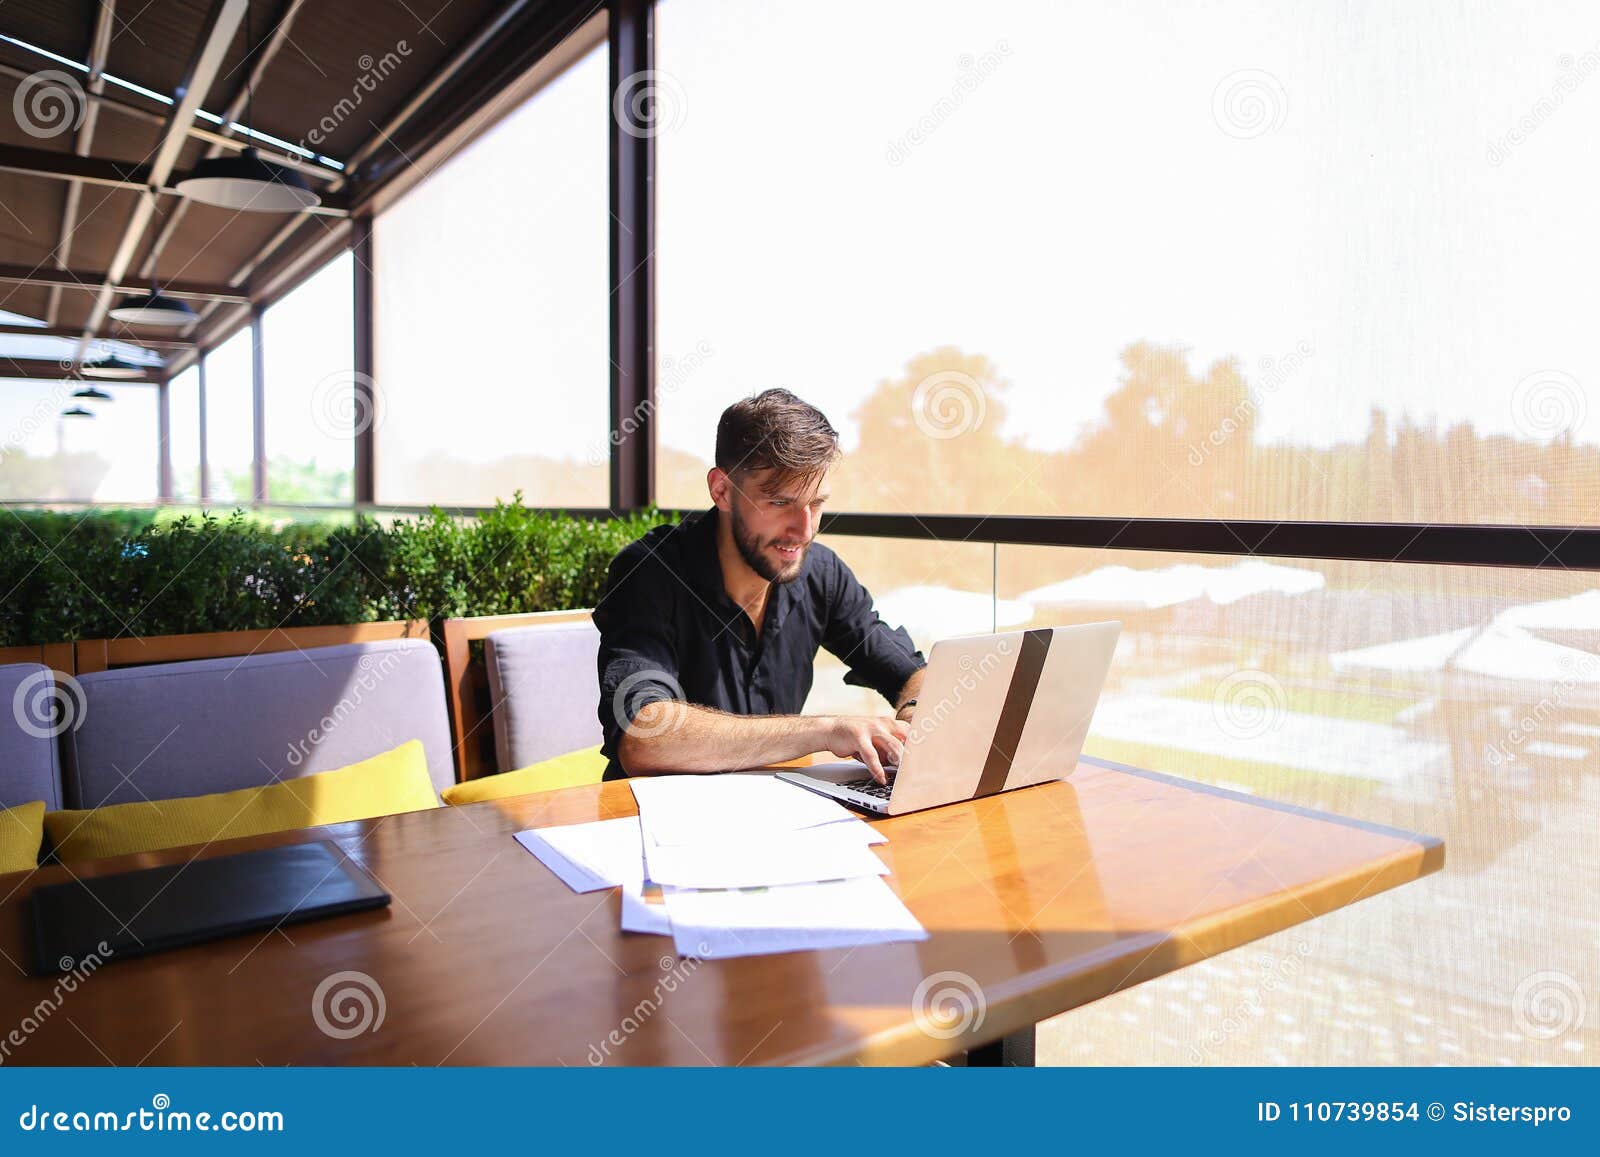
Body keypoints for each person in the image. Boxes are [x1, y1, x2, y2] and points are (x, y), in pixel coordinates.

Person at [593, 388, 927, 784]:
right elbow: (643, 737)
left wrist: (914, 717)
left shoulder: (822, 574)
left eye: (816, 504)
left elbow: (911, 672)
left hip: (776, 806)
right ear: (722, 490)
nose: (805, 530)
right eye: (780, 503)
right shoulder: (649, 571)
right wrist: (825, 730)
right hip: (651, 814)